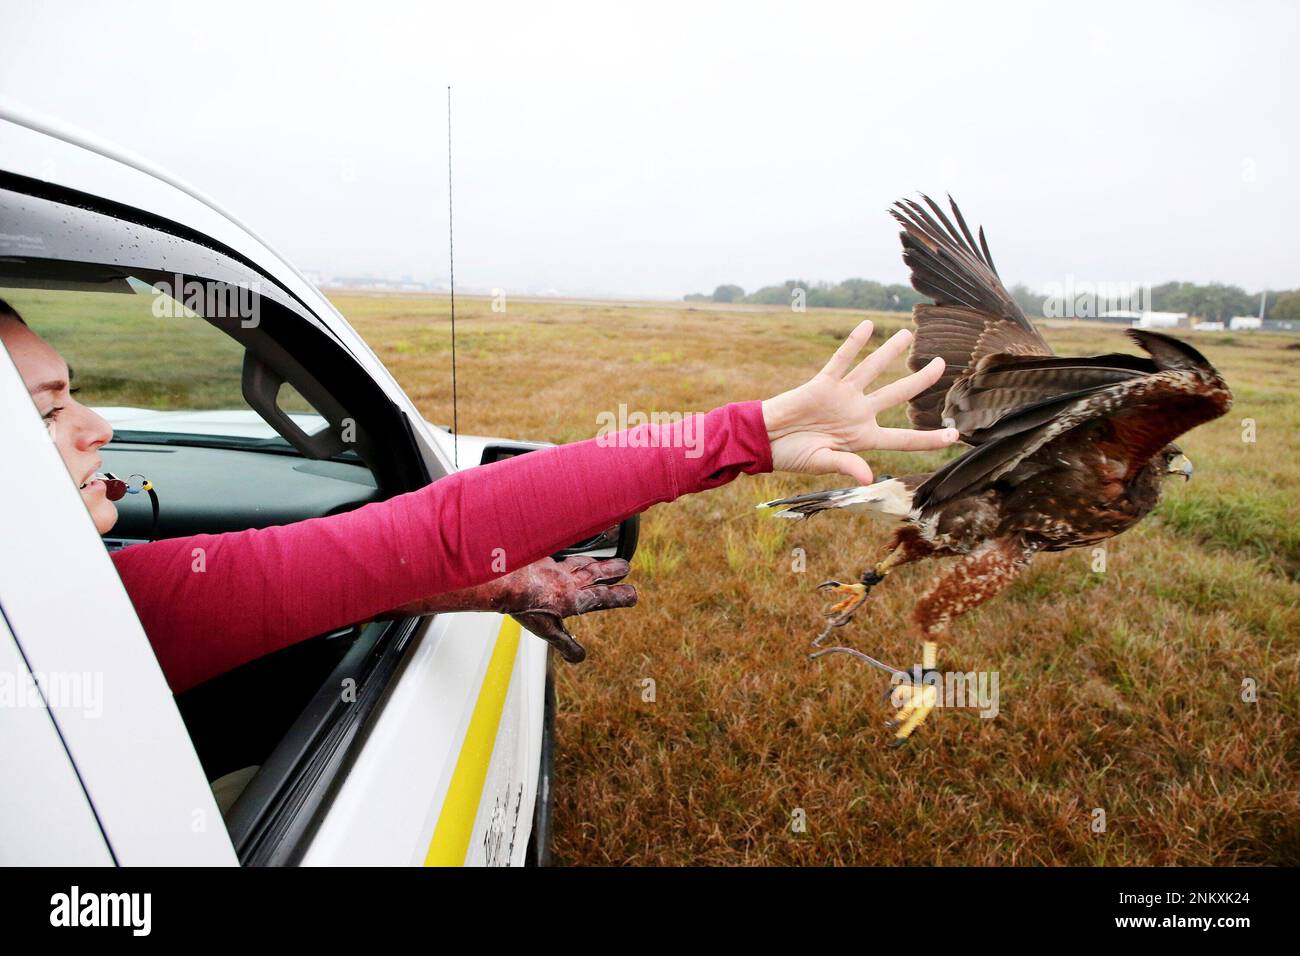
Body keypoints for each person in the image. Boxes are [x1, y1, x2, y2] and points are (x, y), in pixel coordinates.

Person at [0, 298, 956, 692]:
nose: (101, 429)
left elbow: (370, 566)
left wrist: (491, 589)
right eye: (47, 416)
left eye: (75, 394)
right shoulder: (89, 619)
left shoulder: (71, 596)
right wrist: (742, 434)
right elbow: (439, 528)